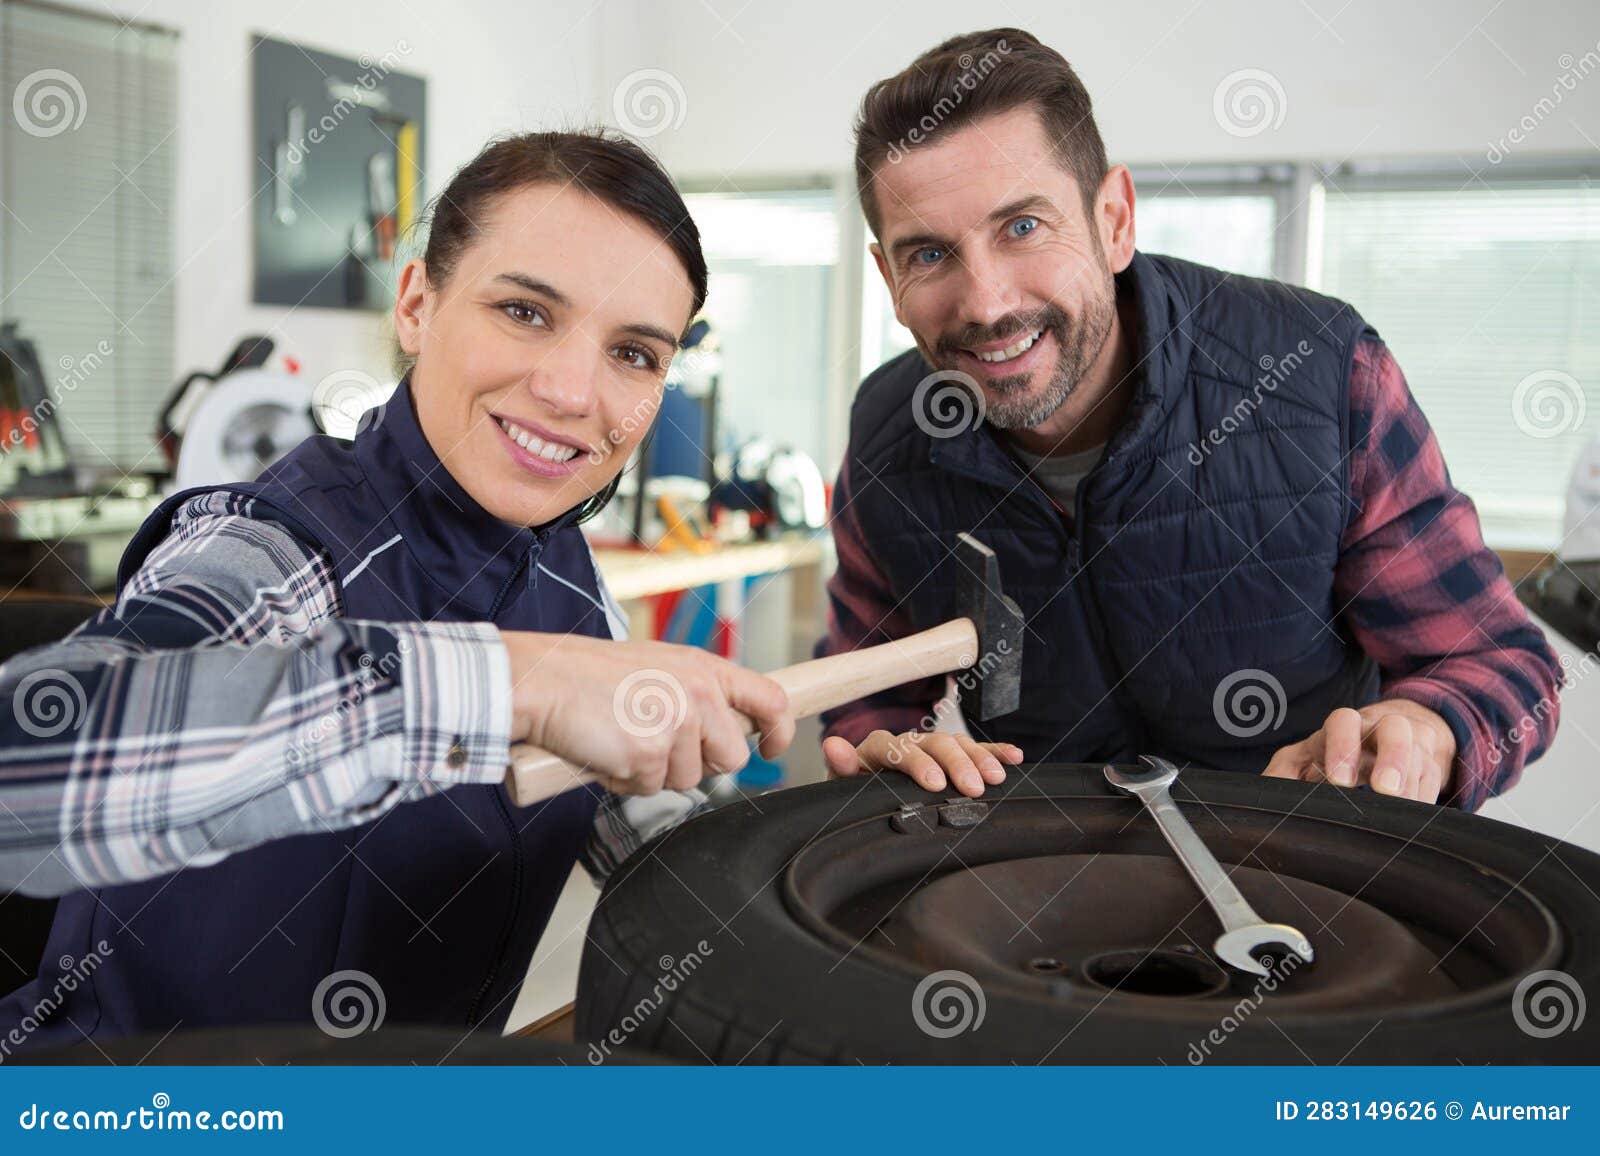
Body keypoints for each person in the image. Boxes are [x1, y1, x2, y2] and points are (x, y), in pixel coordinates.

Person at [0, 130, 794, 1048]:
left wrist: (856, 846)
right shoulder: (273, 549)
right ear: (417, 304)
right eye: (526, 311)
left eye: (635, 354)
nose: (573, 391)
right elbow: (26, 767)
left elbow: (647, 835)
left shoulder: (571, 582)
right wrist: (516, 683)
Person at [817, 28, 1562, 810]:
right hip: (1036, 871)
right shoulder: (886, 436)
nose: (986, 303)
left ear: (1114, 221)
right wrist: (889, 752)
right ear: (888, 279)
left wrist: (1427, 729)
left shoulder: (1322, 372)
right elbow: (866, 701)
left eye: (1023, 227)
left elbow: (1500, 663)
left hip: (1300, 858)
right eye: (929, 254)